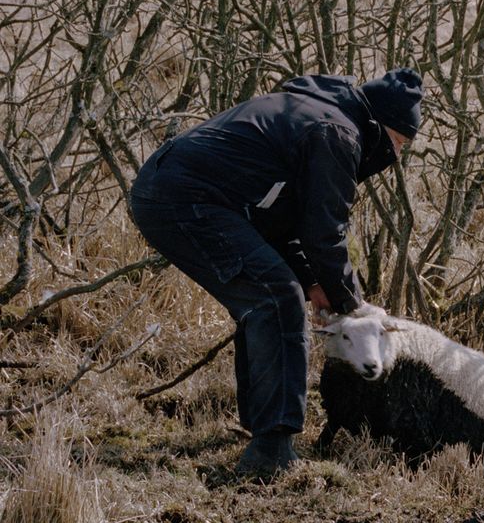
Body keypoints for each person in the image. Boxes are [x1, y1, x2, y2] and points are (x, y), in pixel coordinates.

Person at [128, 68, 423, 478]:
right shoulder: (337, 133)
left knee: (268, 296)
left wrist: (314, 282)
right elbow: (325, 234)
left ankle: (261, 427)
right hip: (184, 199)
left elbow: (282, 222)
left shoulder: (318, 115)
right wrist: (353, 305)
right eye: (399, 143)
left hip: (172, 191)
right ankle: (271, 450)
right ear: (382, 127)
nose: (397, 155)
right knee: (276, 297)